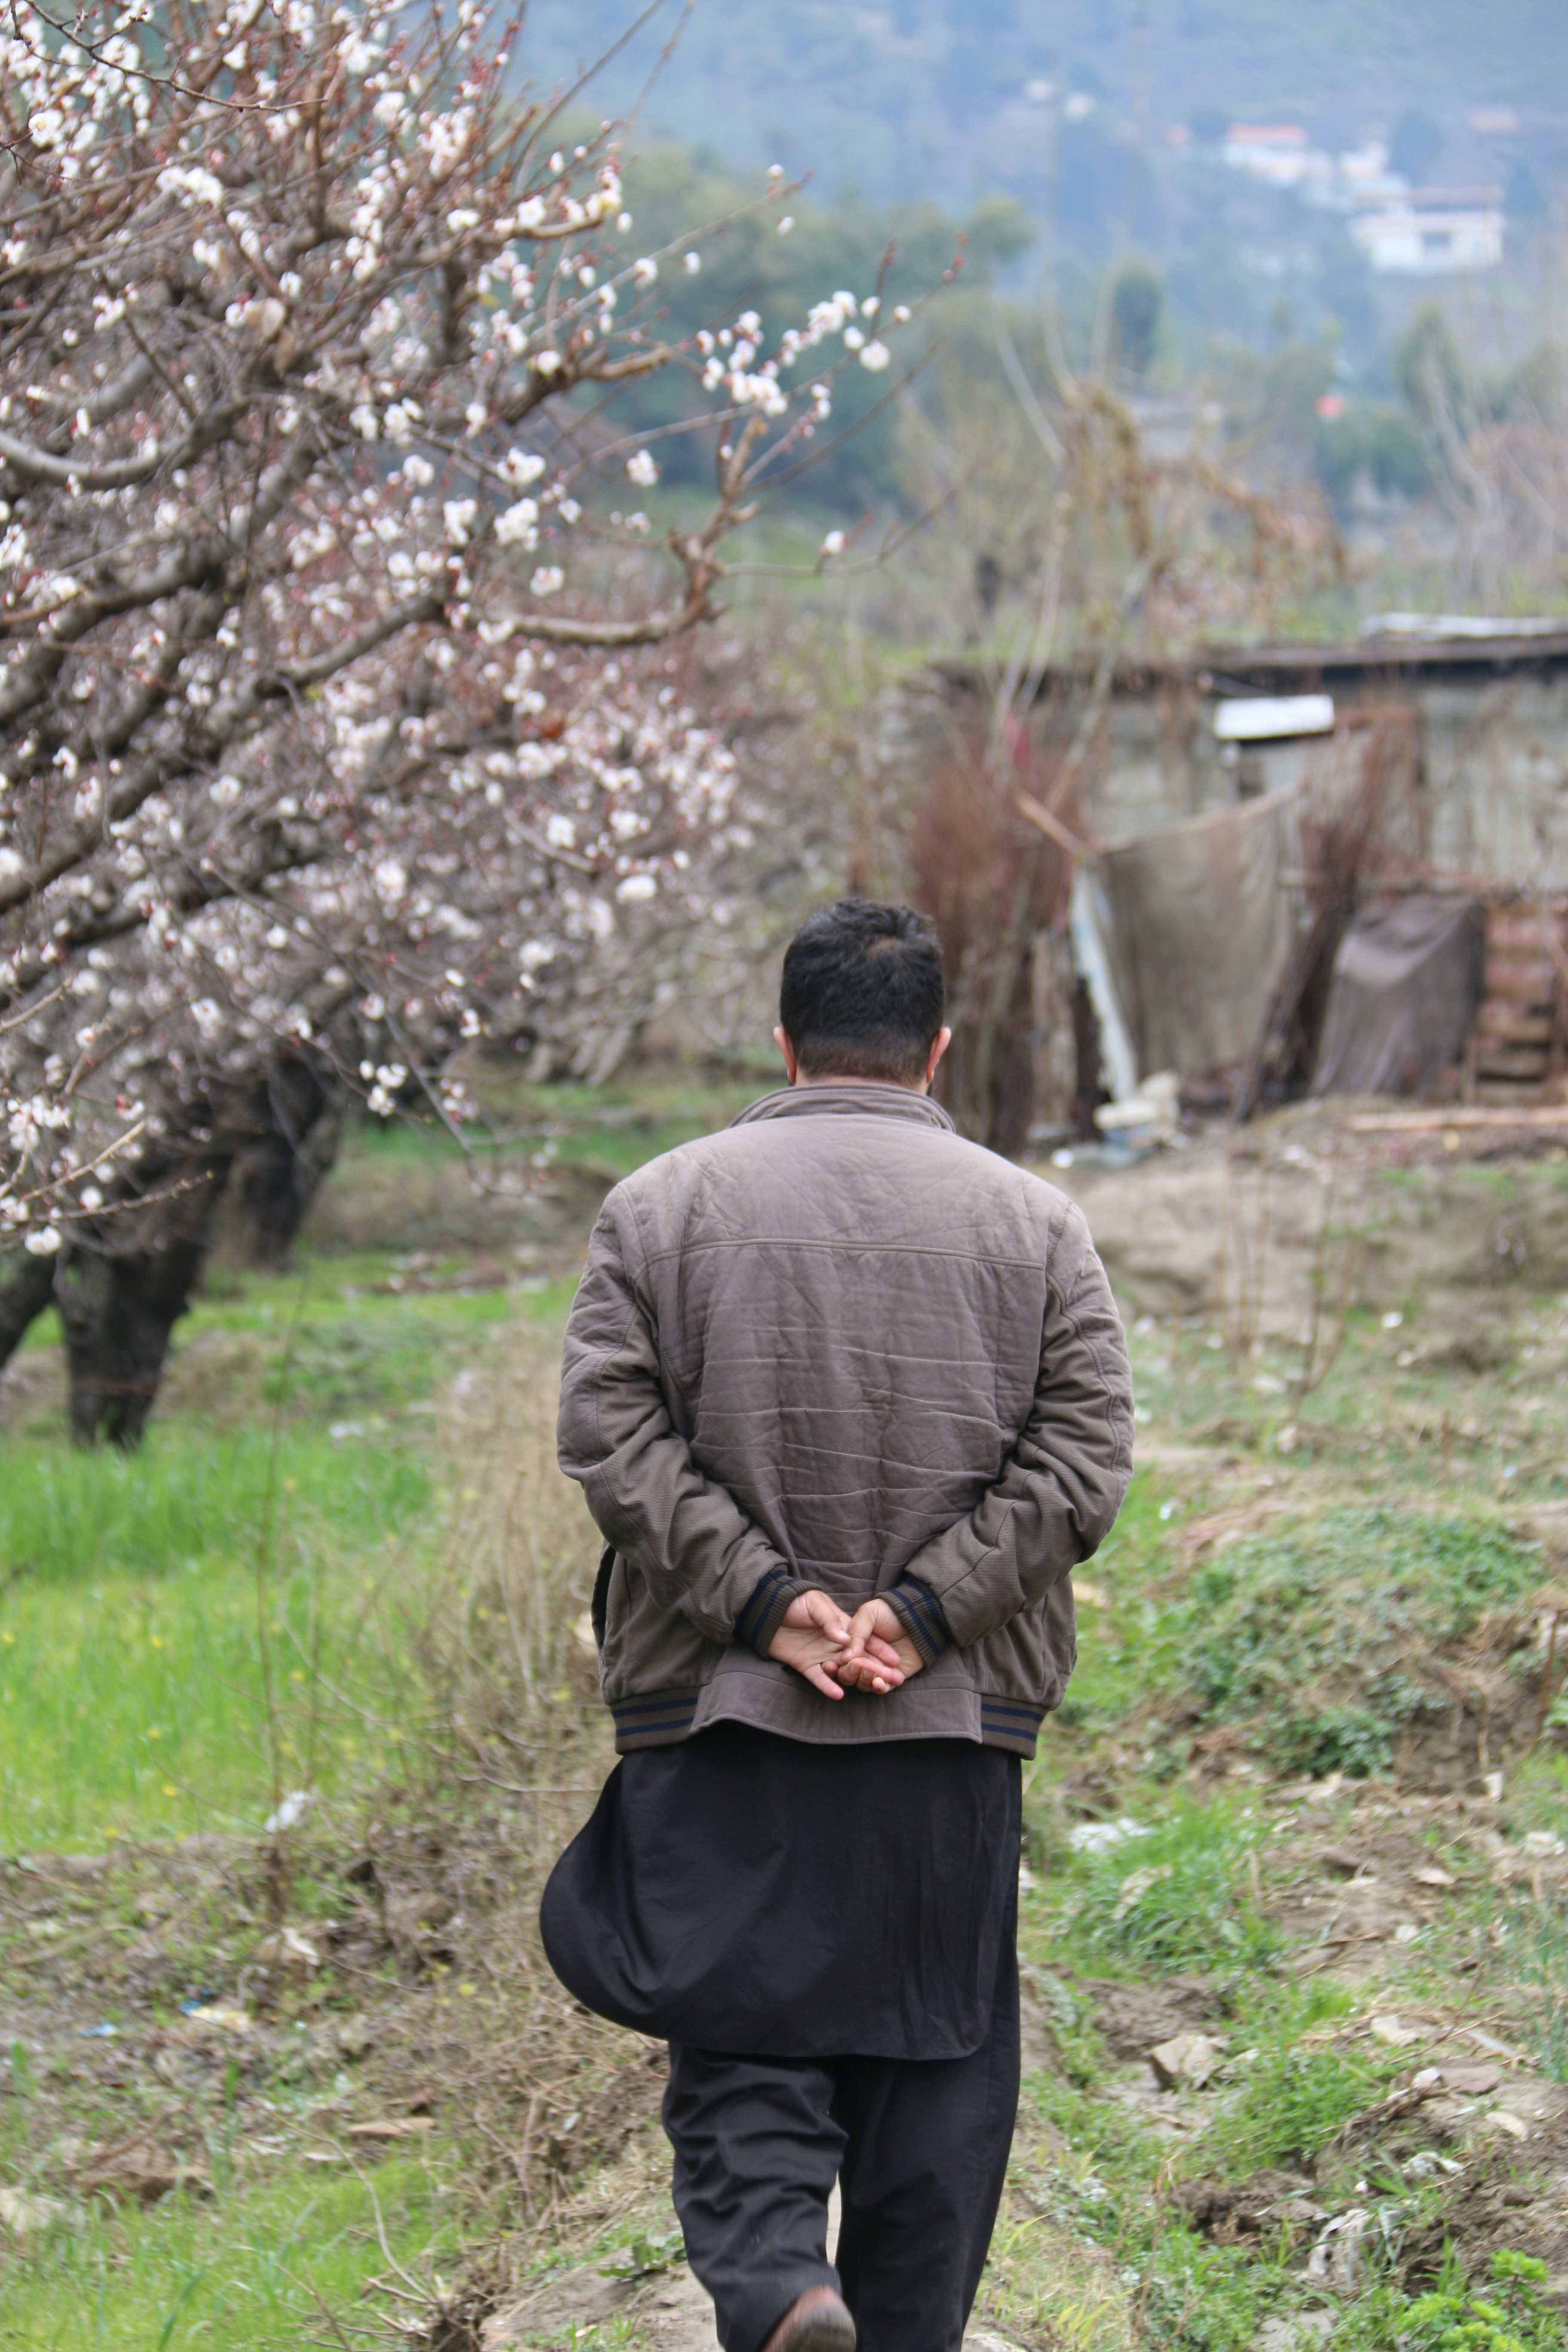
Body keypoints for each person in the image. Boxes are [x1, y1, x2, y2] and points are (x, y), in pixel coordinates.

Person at [544, 899, 1133, 2352]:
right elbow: (1083, 1456)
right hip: (947, 1722)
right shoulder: (1038, 1224)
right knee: (935, 2048)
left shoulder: (660, 1206)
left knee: (742, 2022)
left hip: (724, 1706)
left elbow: (607, 1431)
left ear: (784, 1041)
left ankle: (784, 2291)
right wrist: (923, 1618)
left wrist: (764, 1601)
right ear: (934, 1050)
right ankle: (905, 2326)